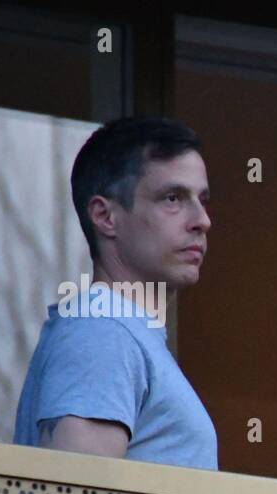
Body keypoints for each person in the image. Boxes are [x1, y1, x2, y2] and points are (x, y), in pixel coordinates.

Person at [13, 117, 217, 469]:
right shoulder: (103, 330)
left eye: (201, 200)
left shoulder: (118, 330)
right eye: (173, 198)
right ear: (105, 216)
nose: (202, 220)